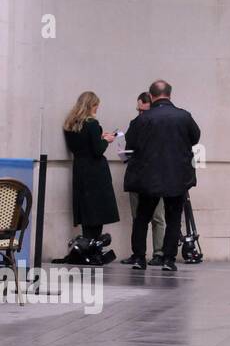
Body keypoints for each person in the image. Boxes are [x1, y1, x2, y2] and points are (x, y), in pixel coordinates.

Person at [123, 80, 201, 272]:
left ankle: (139, 257)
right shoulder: (183, 117)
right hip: (176, 175)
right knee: (173, 218)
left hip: (148, 176)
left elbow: (130, 141)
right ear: (170, 94)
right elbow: (195, 137)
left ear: (150, 96)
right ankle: (168, 259)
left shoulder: (142, 119)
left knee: (142, 218)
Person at [62, 91, 120, 247]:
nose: (97, 109)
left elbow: (83, 145)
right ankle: (94, 244)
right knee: (98, 209)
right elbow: (97, 150)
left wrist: (99, 138)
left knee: (86, 208)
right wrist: (107, 140)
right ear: (91, 105)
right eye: (96, 106)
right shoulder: (92, 123)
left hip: (80, 167)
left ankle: (86, 241)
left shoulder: (70, 123)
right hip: (95, 170)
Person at [119, 91, 167, 266]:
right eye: (138, 110)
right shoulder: (136, 123)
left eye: (143, 110)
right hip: (138, 176)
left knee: (157, 217)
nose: (141, 114)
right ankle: (138, 253)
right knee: (138, 217)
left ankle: (159, 252)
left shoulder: (159, 123)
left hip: (154, 177)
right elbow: (129, 146)